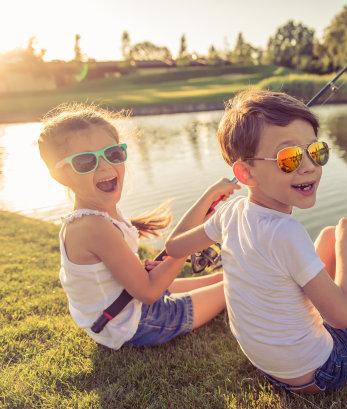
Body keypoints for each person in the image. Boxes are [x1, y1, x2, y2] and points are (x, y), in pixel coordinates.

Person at [165, 90, 347, 392]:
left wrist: (209, 197)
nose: (309, 166)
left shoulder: (231, 212)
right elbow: (341, 318)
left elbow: (173, 247)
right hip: (320, 373)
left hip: (267, 364)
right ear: (246, 172)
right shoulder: (286, 233)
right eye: (290, 158)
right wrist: (345, 246)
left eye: (315, 150)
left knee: (327, 234)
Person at [38, 103, 234, 349]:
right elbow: (150, 292)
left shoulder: (100, 213)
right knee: (237, 285)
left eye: (113, 154)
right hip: (136, 324)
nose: (105, 166)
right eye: (86, 161)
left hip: (124, 308)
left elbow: (156, 266)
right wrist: (191, 242)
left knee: (228, 276)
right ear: (60, 174)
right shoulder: (92, 226)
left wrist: (207, 197)